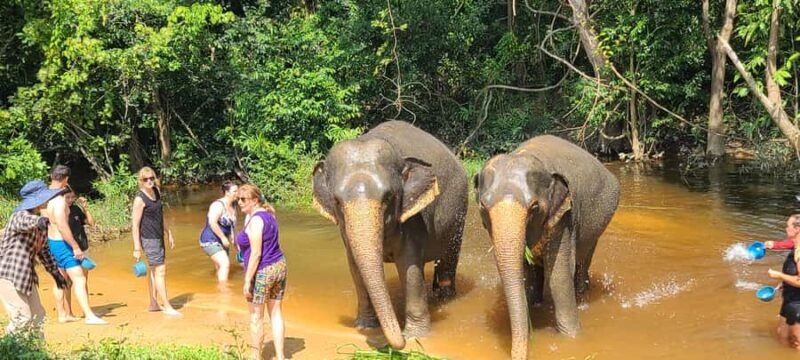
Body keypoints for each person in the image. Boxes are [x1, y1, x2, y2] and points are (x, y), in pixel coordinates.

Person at [0, 180, 69, 336]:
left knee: (39, 317)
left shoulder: (40, 226)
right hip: (8, 275)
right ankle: (7, 349)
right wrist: (39, 221)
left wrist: (56, 275)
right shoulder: (19, 216)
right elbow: (23, 222)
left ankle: (38, 352)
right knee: (21, 318)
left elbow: (44, 253)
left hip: (25, 277)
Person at [44, 165, 106, 325]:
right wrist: (75, 247)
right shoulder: (59, 201)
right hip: (62, 243)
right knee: (79, 279)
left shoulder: (45, 197)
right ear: (66, 180)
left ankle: (63, 315)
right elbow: (62, 226)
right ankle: (89, 316)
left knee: (60, 280)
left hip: (52, 242)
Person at [236, 184, 286, 360]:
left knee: (256, 316)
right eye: (238, 199)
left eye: (244, 199)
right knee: (276, 313)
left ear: (255, 200)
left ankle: (255, 356)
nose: (240, 202)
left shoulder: (256, 221)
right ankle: (280, 356)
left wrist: (247, 281)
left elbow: (256, 253)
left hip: (263, 271)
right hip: (279, 265)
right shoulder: (269, 215)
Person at [131, 166, 181, 316]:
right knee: (160, 271)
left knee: (154, 271)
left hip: (158, 236)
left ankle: (153, 304)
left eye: (152, 178)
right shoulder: (140, 199)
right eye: (146, 179)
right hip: (149, 238)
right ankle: (167, 306)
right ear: (140, 181)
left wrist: (169, 232)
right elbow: (135, 225)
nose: (149, 181)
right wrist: (137, 248)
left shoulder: (157, 192)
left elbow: (161, 215)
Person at [53, 186, 96, 322]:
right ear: (62, 198)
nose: (70, 200)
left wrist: (86, 208)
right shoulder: (59, 212)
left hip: (82, 247)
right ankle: (68, 312)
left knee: (83, 280)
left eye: (73, 197)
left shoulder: (76, 209)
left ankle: (86, 310)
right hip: (69, 249)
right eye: (68, 198)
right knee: (67, 282)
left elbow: (91, 223)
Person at [767, 214, 800, 349]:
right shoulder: (796, 246)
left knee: (797, 343)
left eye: (788, 226)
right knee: (782, 336)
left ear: (797, 229)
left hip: (798, 304)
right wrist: (785, 282)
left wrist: (779, 275)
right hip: (789, 299)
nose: (786, 228)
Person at [199, 181, 238, 285]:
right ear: (227, 192)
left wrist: (235, 243)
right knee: (225, 264)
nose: (237, 193)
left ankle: (217, 289)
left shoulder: (234, 207)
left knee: (220, 266)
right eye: (235, 191)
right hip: (209, 239)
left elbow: (233, 227)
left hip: (222, 241)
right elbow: (212, 222)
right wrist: (223, 238)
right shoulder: (217, 205)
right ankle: (224, 291)